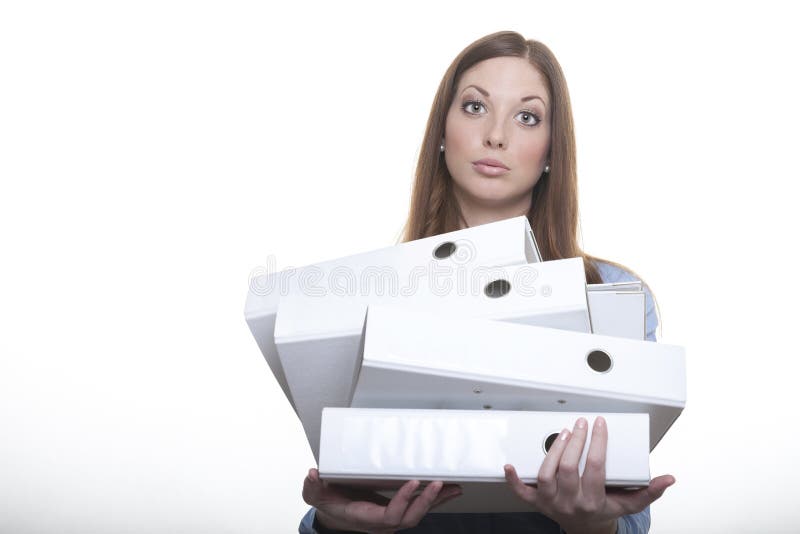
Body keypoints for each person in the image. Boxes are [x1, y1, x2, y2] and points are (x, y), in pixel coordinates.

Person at [299, 30, 674, 533]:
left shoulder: (610, 294)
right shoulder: (374, 293)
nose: (496, 135)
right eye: (475, 107)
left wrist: (593, 525)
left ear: (551, 151)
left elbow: (630, 514)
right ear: (441, 130)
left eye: (527, 117)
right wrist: (336, 522)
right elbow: (340, 482)